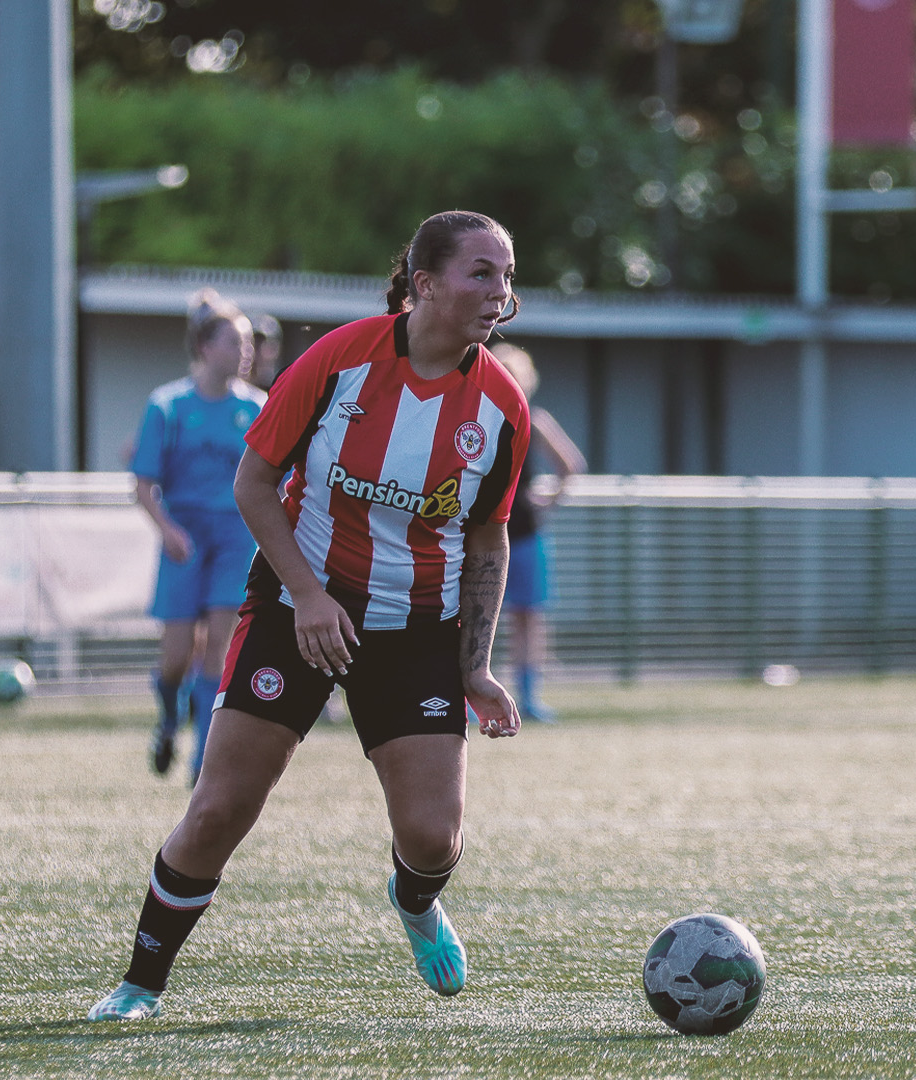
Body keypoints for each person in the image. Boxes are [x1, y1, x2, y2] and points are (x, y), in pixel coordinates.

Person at [87, 210, 532, 1021]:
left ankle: (413, 900)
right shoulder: (341, 361)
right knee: (220, 806)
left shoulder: (500, 406)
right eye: (481, 273)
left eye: (506, 276)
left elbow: (489, 537)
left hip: (417, 628)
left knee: (433, 836)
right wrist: (310, 593)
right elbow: (254, 484)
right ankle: (139, 984)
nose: (500, 293)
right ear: (425, 284)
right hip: (298, 605)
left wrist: (476, 666)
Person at [133, 290, 267, 785]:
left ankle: (202, 762)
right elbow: (144, 483)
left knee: (220, 650)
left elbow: (276, 478)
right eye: (236, 341)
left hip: (236, 537)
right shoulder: (167, 405)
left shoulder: (257, 408)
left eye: (250, 342)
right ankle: (169, 720)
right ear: (206, 347)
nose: (246, 352)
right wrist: (167, 529)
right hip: (184, 538)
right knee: (175, 656)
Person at [487, 343, 586, 721]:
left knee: (528, 617)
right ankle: (466, 694)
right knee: (472, 616)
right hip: (481, 538)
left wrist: (547, 502)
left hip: (525, 537)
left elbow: (571, 466)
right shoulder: (482, 420)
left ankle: (528, 698)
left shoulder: (534, 420)